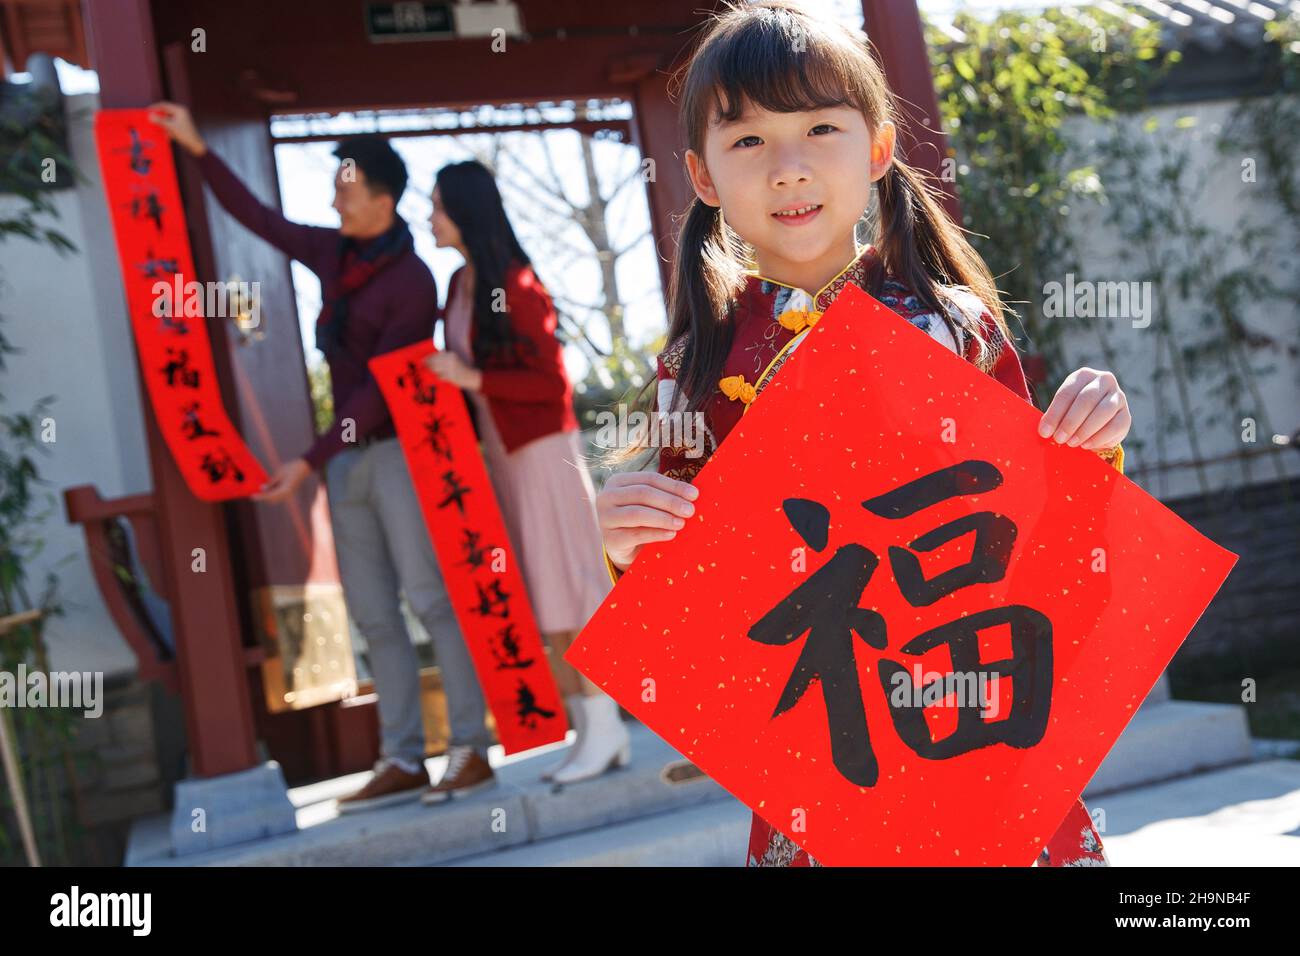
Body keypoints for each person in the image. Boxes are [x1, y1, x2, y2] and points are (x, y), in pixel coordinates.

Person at [595, 1, 1130, 867]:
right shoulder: (690, 373)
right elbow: (697, 617)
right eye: (747, 142)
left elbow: (1055, 545)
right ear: (701, 175)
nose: (789, 168)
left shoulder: (956, 331)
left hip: (981, 715)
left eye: (818, 127)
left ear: (879, 147)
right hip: (826, 755)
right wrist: (629, 546)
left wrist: (1089, 444)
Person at [148, 103, 497, 811]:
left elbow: (376, 394)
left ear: (381, 197)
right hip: (344, 462)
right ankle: (401, 757)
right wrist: (195, 146)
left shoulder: (414, 281)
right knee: (372, 613)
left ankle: (470, 748)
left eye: (345, 184)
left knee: (430, 600)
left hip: (397, 453)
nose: (333, 195)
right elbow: (260, 220)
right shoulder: (332, 253)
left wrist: (306, 461)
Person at [424, 160, 628, 787]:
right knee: (548, 600)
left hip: (544, 456)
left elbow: (549, 384)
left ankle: (605, 725)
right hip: (506, 460)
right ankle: (592, 732)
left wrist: (472, 378)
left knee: (574, 594)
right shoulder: (461, 284)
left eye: (436, 205)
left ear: (463, 210)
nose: (428, 217)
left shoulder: (515, 282)